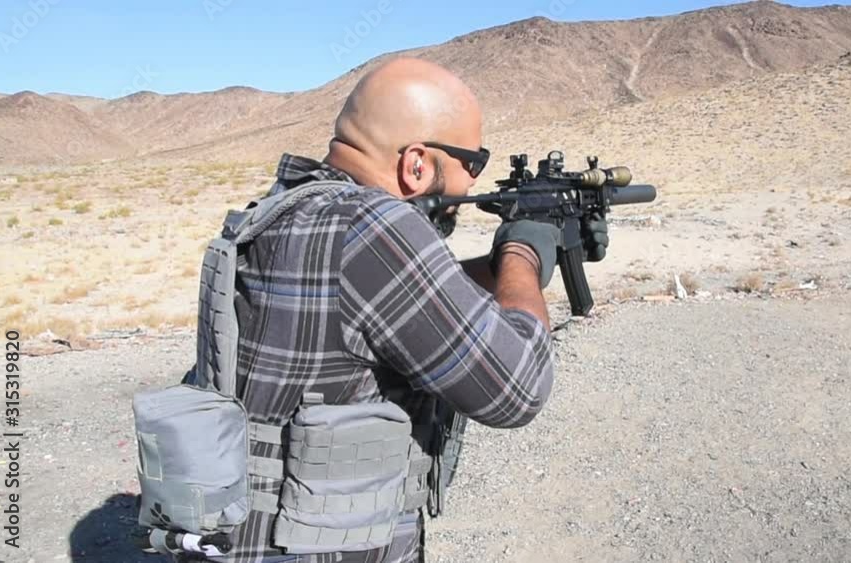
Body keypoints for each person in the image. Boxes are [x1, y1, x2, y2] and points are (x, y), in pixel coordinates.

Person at [173, 56, 595, 563]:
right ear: (416, 165)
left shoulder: (284, 206)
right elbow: (517, 389)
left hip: (243, 538)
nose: (471, 184)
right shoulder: (375, 226)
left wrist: (500, 266)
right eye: (473, 163)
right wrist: (523, 253)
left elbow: (393, 301)